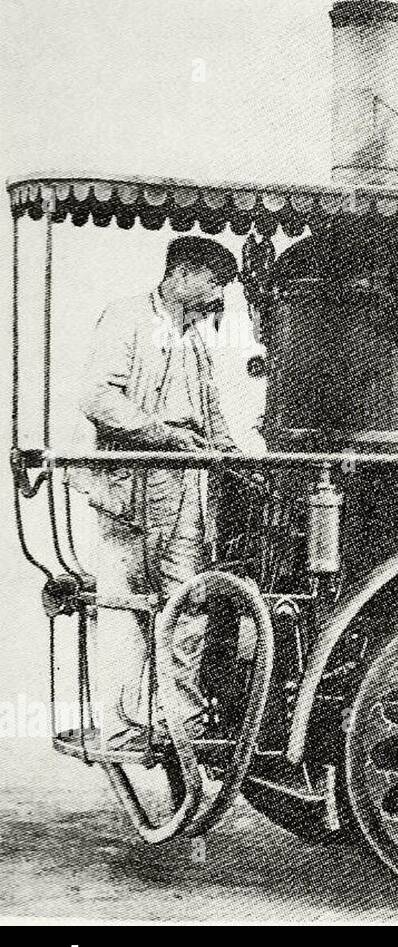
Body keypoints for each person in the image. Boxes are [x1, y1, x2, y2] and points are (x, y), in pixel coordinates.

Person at [79, 235, 240, 751]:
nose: (217, 295)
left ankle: (181, 724)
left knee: (187, 607)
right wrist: (163, 433)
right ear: (184, 273)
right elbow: (97, 397)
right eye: (213, 282)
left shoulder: (194, 334)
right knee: (126, 609)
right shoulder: (126, 317)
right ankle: (123, 729)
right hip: (131, 488)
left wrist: (233, 453)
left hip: (185, 491)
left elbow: (210, 410)